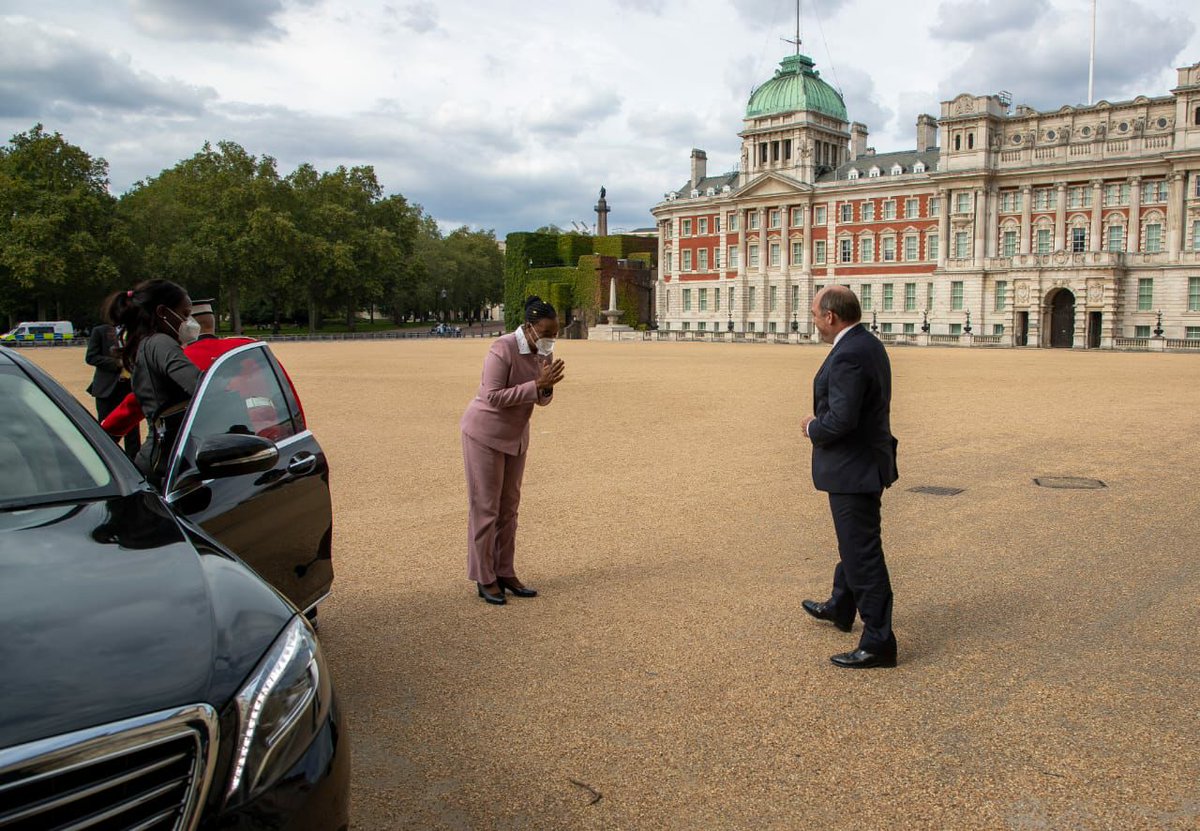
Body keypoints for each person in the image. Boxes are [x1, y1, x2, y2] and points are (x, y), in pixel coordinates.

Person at [800, 286, 900, 669]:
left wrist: (813, 428)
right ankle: (842, 604)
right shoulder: (865, 342)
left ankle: (879, 640)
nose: (814, 322)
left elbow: (842, 419)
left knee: (862, 553)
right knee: (855, 541)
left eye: (815, 315)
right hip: (863, 463)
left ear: (831, 317)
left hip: (853, 467)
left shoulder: (849, 355)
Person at [460, 296, 566, 605]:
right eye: (547, 332)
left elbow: (542, 399)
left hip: (515, 436)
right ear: (530, 327)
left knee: (509, 508)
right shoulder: (502, 347)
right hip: (484, 434)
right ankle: (484, 575)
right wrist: (536, 385)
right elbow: (491, 396)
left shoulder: (544, 353)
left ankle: (505, 570)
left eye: (556, 332)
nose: (552, 338)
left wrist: (545, 388)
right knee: (486, 508)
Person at [100, 298, 254, 439]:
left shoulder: (174, 358)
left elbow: (136, 403)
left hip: (194, 443)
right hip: (253, 436)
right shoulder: (247, 349)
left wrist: (104, 430)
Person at [102, 280, 201, 487]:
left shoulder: (146, 343)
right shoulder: (160, 343)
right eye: (184, 314)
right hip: (165, 465)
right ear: (163, 312)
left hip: (161, 457)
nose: (189, 321)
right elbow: (199, 388)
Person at [85, 320, 141, 460]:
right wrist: (117, 363)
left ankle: (134, 464)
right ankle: (107, 461)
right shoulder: (100, 331)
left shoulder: (137, 330)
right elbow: (91, 357)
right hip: (106, 388)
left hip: (130, 387)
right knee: (105, 429)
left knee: (132, 432)